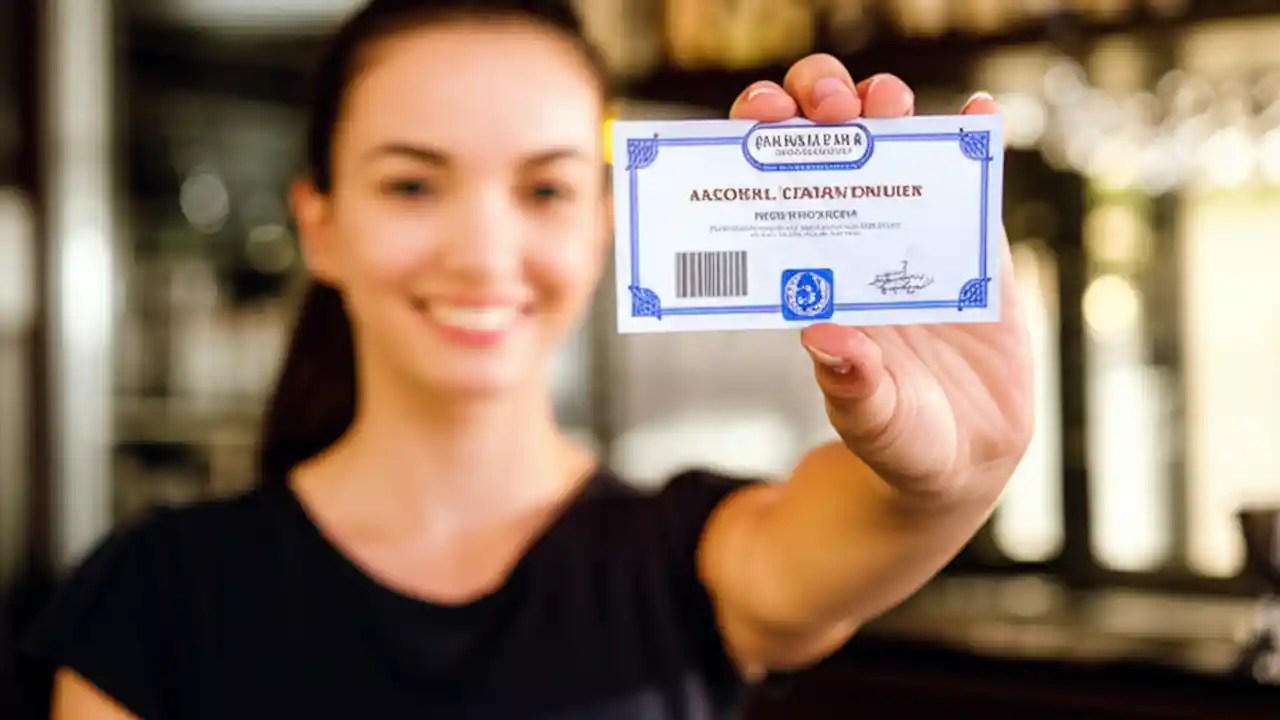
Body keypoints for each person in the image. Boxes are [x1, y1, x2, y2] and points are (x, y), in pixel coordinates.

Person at [20, 0, 1033, 717]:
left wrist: (959, 478)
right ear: (318, 224)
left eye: (544, 191)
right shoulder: (155, 595)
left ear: (603, 227)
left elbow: (861, 530)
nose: (482, 252)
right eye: (412, 185)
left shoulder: (690, 560)